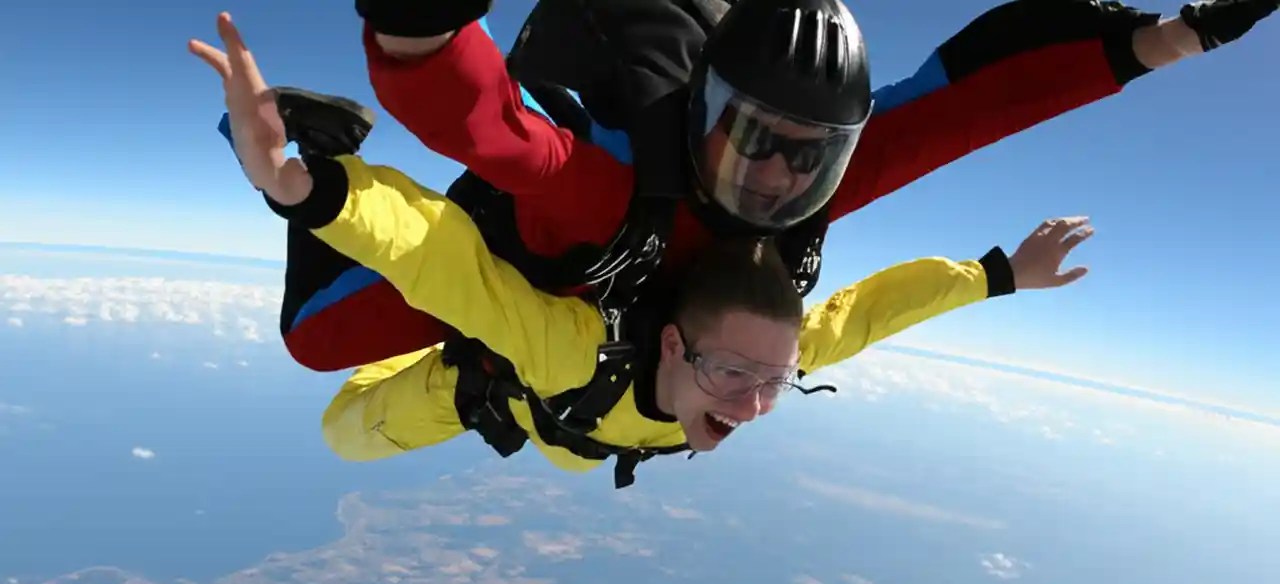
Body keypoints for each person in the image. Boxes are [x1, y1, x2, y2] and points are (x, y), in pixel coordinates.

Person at [191, 13, 1097, 488]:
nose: (755, 403)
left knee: (336, 397)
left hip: (555, 401)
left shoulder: (764, 353)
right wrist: (307, 188)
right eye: (745, 379)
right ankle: (319, 153)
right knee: (324, 382)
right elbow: (441, 257)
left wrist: (999, 276)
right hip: (482, 385)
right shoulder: (566, 347)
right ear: (670, 345)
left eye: (770, 383)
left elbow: (860, 317)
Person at [252, 0, 1277, 373]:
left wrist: (1169, 40)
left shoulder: (822, 182)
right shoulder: (611, 185)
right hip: (528, 255)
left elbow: (972, 102)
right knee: (318, 343)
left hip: (605, 300)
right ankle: (307, 154)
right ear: (703, 120)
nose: (781, 174)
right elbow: (495, 134)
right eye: (757, 140)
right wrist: (418, 28)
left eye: (810, 153)